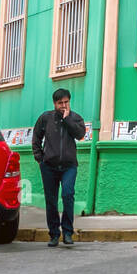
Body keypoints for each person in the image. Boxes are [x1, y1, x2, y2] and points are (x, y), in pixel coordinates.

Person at [32, 88, 86, 247]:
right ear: (54, 103)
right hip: (49, 166)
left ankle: (68, 233)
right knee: (51, 200)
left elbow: (80, 135)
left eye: (66, 102)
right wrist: (40, 158)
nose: (64, 105)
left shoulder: (75, 118)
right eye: (60, 103)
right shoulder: (46, 118)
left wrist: (67, 119)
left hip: (69, 166)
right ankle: (54, 234)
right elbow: (36, 137)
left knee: (68, 195)